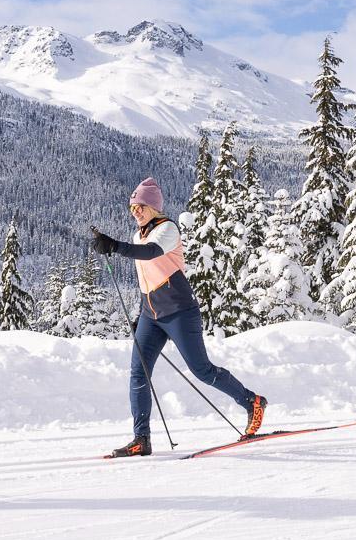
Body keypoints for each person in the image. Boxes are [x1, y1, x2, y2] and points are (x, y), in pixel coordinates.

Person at [89, 177, 268, 457]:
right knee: (139, 372)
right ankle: (141, 439)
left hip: (179, 312)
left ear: (154, 208)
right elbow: (146, 279)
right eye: (133, 206)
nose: (136, 211)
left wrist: (115, 246)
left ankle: (251, 401)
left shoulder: (167, 229)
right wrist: (140, 315)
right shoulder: (139, 234)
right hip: (152, 315)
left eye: (141, 206)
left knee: (202, 370)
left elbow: (150, 255)